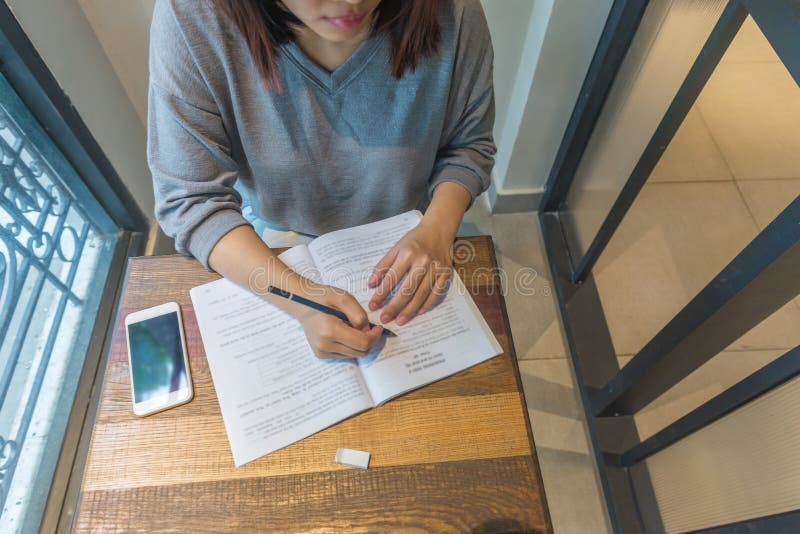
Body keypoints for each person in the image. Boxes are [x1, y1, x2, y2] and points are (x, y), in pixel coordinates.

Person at [148, 0, 496, 359]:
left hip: (415, 230)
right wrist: (300, 301)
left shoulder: (453, 11)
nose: (353, 1)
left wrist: (437, 231)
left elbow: (467, 145)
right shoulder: (192, 16)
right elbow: (192, 201)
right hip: (271, 245)